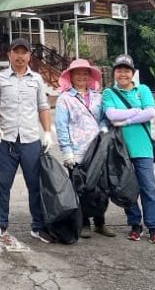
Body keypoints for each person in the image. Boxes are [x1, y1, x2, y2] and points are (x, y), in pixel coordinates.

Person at [0, 38, 55, 243]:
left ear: (29, 56)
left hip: (30, 140)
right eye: (16, 52)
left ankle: (38, 226)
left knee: (35, 185)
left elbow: (43, 107)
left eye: (24, 53)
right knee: (2, 184)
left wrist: (48, 133)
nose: (20, 56)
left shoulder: (37, 79)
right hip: (6, 139)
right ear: (9, 55)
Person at [101, 54, 155, 244]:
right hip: (120, 151)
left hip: (143, 148)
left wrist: (125, 120)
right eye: (119, 70)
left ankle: (153, 227)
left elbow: (151, 112)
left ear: (133, 73)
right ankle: (135, 224)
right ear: (114, 73)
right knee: (127, 189)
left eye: (127, 70)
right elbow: (111, 114)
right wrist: (137, 111)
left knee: (148, 189)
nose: (123, 74)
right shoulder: (109, 93)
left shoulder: (142, 89)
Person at [54, 58, 114, 239]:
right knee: (81, 188)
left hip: (97, 150)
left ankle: (100, 222)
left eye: (85, 73)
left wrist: (103, 126)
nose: (81, 76)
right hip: (77, 152)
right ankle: (84, 223)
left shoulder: (98, 97)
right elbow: (61, 126)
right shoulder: (65, 99)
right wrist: (67, 152)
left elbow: (105, 117)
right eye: (78, 73)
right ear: (71, 76)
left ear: (90, 76)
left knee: (101, 188)